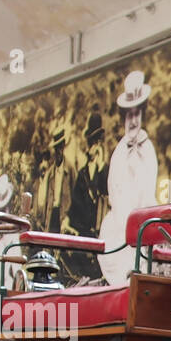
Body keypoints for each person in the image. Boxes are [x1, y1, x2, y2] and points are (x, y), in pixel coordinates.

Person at [98, 71, 159, 285]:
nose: (132, 121)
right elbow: (114, 191)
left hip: (140, 222)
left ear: (142, 115)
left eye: (136, 115)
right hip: (119, 224)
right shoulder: (120, 151)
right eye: (129, 115)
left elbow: (146, 191)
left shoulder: (147, 150)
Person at [66, 109, 109, 279]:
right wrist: (68, 221)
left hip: (102, 234)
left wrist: (101, 167)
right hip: (84, 234)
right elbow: (75, 205)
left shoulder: (105, 170)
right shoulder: (82, 173)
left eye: (97, 142)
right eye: (92, 142)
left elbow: (109, 195)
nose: (94, 147)